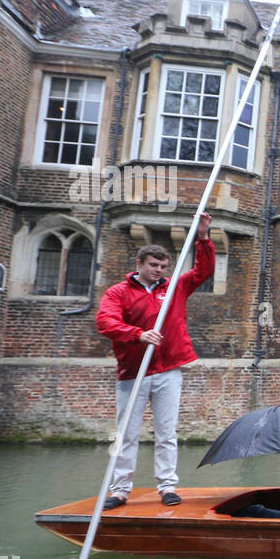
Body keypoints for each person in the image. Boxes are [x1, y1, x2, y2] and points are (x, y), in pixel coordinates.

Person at [96, 214, 214, 508]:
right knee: (126, 435)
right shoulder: (118, 292)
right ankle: (120, 490)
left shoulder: (174, 287)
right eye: (154, 266)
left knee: (166, 432)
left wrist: (202, 237)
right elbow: (105, 322)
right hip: (133, 373)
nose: (159, 271)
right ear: (140, 264)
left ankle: (167, 487)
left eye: (163, 267)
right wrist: (137, 334)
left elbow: (203, 272)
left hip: (168, 370)